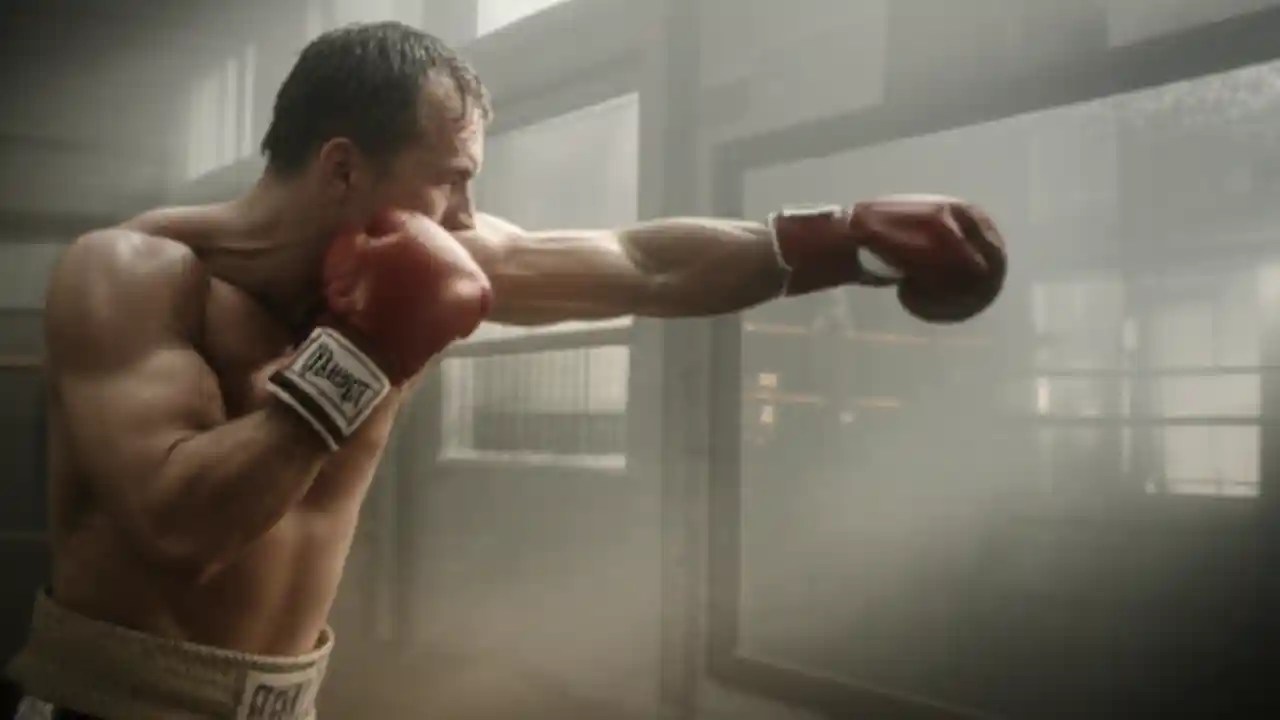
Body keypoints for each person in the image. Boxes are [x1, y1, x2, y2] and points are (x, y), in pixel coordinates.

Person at [4, 21, 1006, 720]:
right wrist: (361, 357)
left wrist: (835, 240)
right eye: (453, 180)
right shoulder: (132, 273)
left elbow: (639, 262)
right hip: (109, 706)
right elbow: (181, 527)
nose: (469, 223)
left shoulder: (420, 253)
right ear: (344, 166)